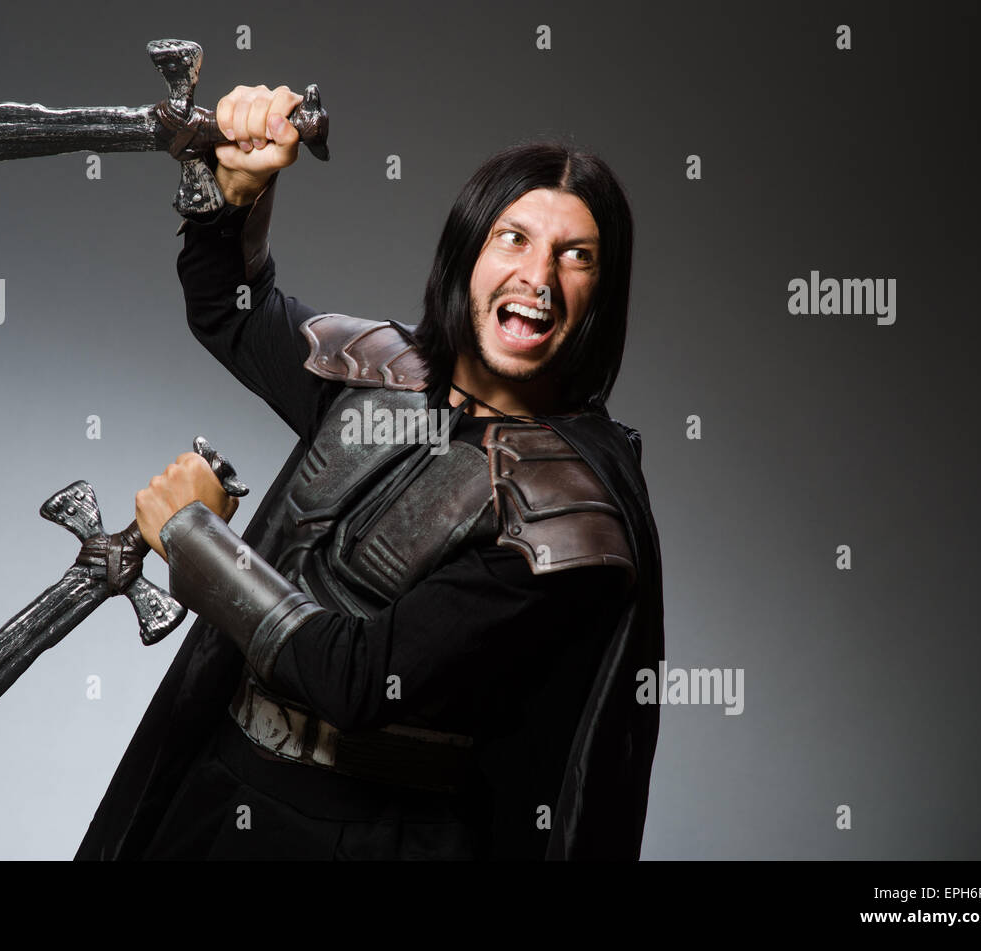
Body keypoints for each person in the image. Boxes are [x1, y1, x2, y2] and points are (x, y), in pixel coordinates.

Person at [75, 84, 665, 860]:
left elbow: (359, 678)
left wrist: (193, 539)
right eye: (512, 238)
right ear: (469, 253)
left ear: (600, 295)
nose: (539, 276)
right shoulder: (375, 374)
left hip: (377, 837)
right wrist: (236, 192)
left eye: (575, 255)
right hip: (217, 791)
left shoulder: (565, 516)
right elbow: (232, 307)